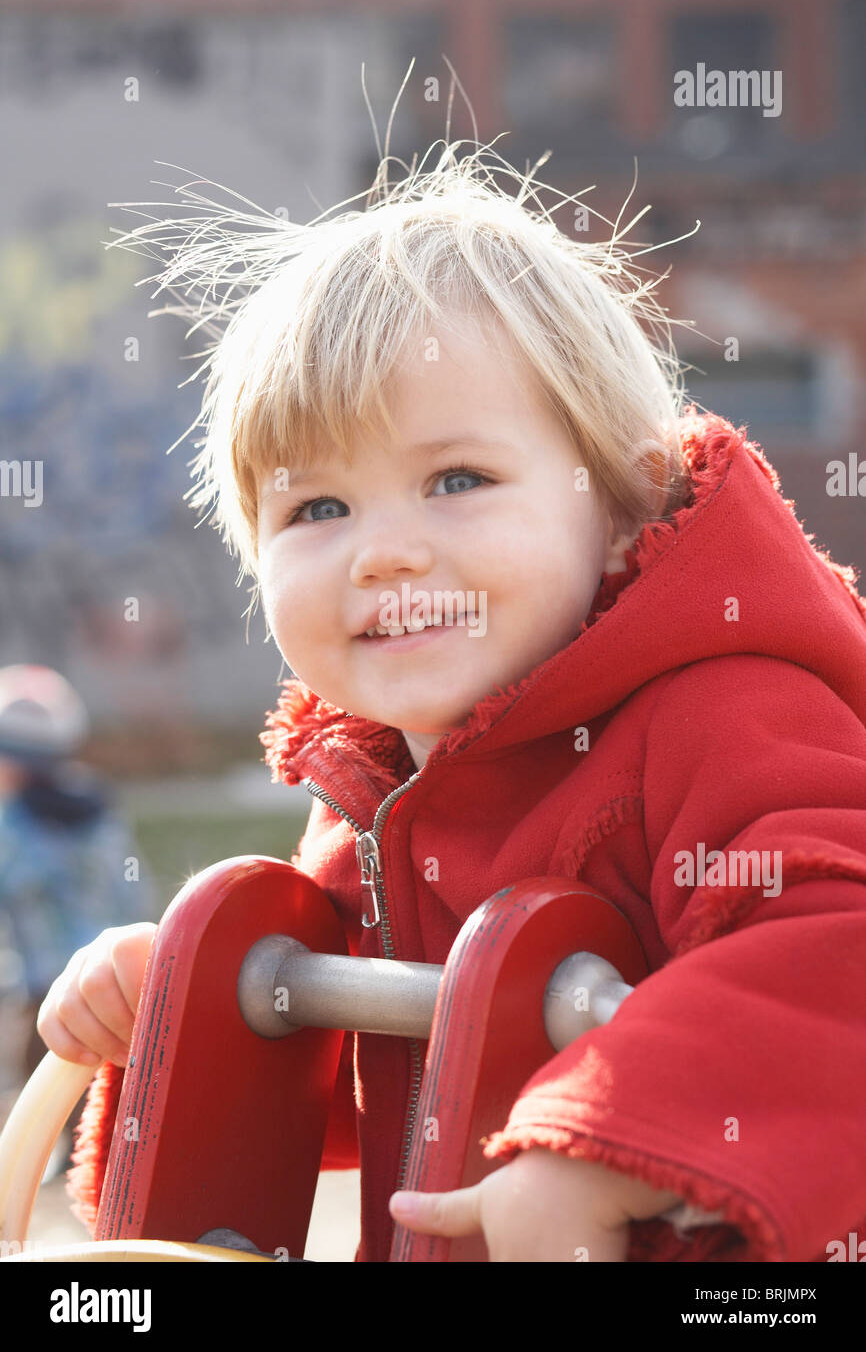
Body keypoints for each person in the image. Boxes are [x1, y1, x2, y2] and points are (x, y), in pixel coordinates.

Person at [37, 139, 866, 1262]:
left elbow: (837, 952)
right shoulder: (380, 790)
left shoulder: (721, 716)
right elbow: (368, 1087)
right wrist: (184, 1006)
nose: (383, 552)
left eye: (457, 480)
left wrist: (608, 1141)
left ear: (619, 509)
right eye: (317, 508)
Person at [0, 665, 155, 1086]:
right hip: (112, 988)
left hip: (43, 997)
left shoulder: (11, 826)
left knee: (37, 1105)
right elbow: (134, 892)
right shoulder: (98, 810)